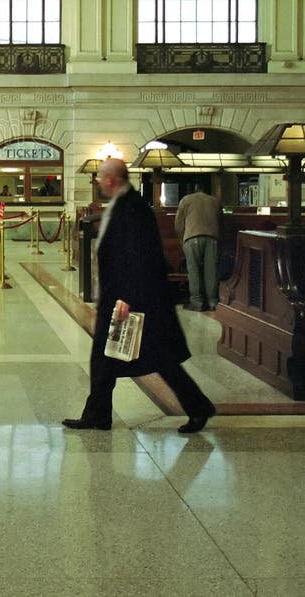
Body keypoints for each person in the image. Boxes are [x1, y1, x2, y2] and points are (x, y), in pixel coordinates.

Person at [62, 158, 215, 434]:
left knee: (163, 361)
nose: (98, 181)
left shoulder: (134, 208)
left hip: (137, 300)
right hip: (122, 297)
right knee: (104, 359)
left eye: (100, 177)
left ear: (111, 180)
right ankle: (97, 415)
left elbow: (139, 257)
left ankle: (199, 407)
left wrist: (126, 297)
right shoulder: (123, 204)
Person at [174, 183, 221, 311]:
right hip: (212, 238)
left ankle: (197, 302)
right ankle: (212, 301)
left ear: (194, 190)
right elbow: (220, 221)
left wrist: (183, 240)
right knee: (211, 271)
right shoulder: (214, 201)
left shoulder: (186, 200)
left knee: (193, 271)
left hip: (192, 237)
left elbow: (178, 224)